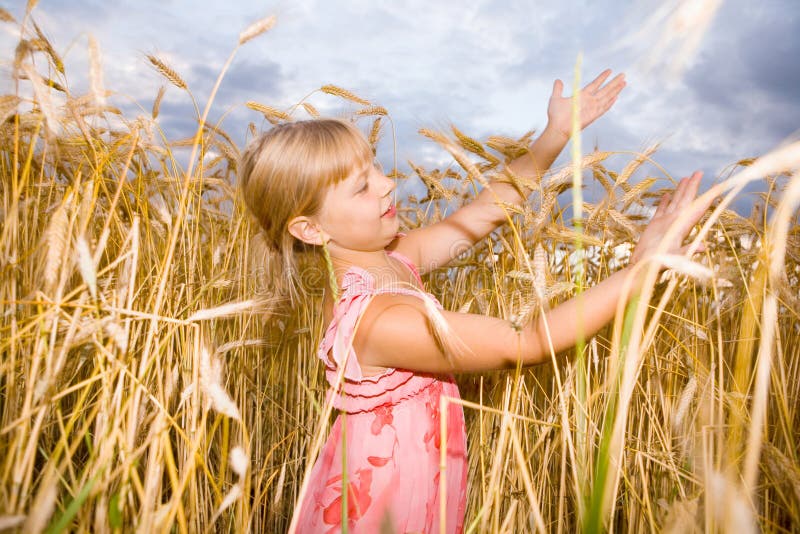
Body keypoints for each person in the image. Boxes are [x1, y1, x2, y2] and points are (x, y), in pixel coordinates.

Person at [238, 70, 715, 533]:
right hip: (384, 501)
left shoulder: (394, 257)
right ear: (311, 229)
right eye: (361, 187)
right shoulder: (378, 321)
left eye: (376, 168)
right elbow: (524, 342)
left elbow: (484, 212)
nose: (386, 184)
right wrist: (640, 272)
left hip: (416, 476)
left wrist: (554, 135)